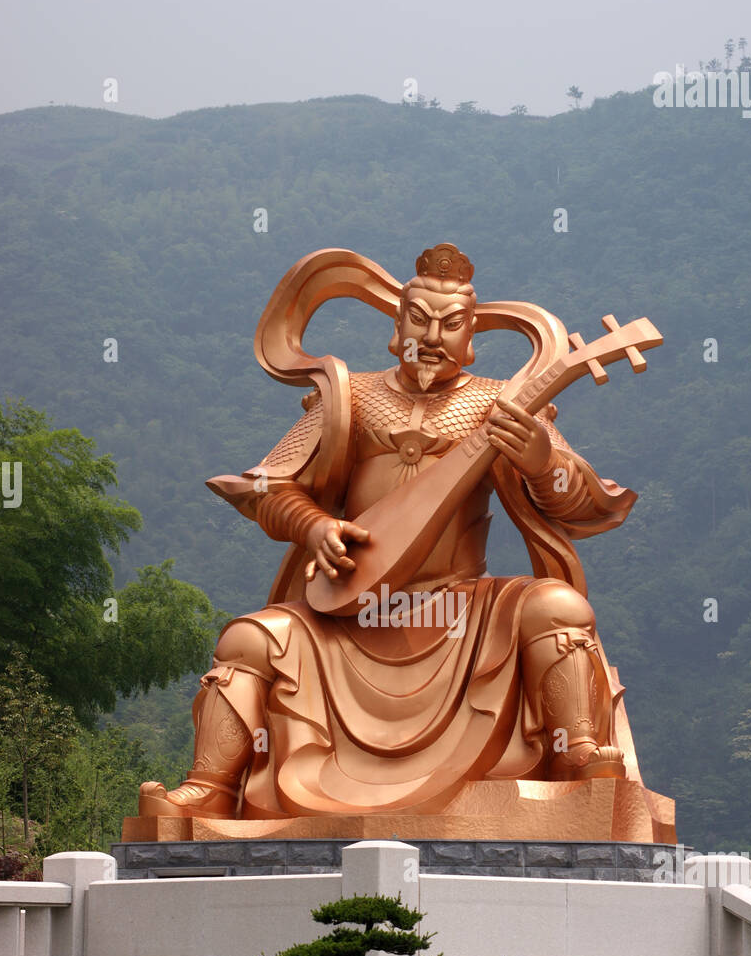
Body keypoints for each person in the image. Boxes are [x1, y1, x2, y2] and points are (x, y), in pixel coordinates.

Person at [139, 244, 637, 819]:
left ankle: (575, 757)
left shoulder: (498, 403)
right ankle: (212, 788)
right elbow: (264, 487)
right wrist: (315, 525)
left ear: (470, 336)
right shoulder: (349, 399)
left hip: (459, 614)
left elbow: (585, 503)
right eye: (418, 320)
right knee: (250, 638)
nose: (432, 337)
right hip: (352, 613)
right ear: (396, 325)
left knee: (556, 607)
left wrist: (540, 460)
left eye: (451, 325)